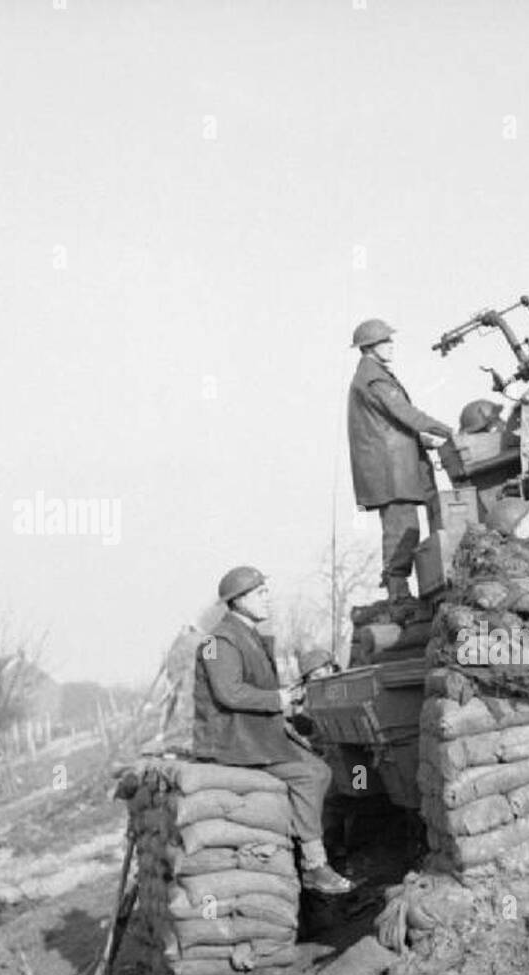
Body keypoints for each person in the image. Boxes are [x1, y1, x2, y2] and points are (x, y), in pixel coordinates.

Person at [193, 566, 352, 895]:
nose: (268, 599)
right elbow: (229, 693)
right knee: (312, 775)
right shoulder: (218, 641)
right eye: (259, 593)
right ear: (237, 601)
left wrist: (288, 699)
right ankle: (313, 864)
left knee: (319, 764)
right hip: (234, 742)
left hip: (256, 734)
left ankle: (306, 852)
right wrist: (277, 698)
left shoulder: (247, 636)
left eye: (266, 591)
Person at [347, 318, 454, 598]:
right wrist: (448, 432)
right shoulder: (375, 378)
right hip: (391, 470)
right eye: (385, 341)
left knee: (414, 522)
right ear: (369, 347)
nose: (391, 346)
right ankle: (398, 591)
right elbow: (407, 414)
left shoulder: (372, 375)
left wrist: (422, 439)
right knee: (402, 527)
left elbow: (389, 424)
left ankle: (420, 583)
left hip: (397, 465)